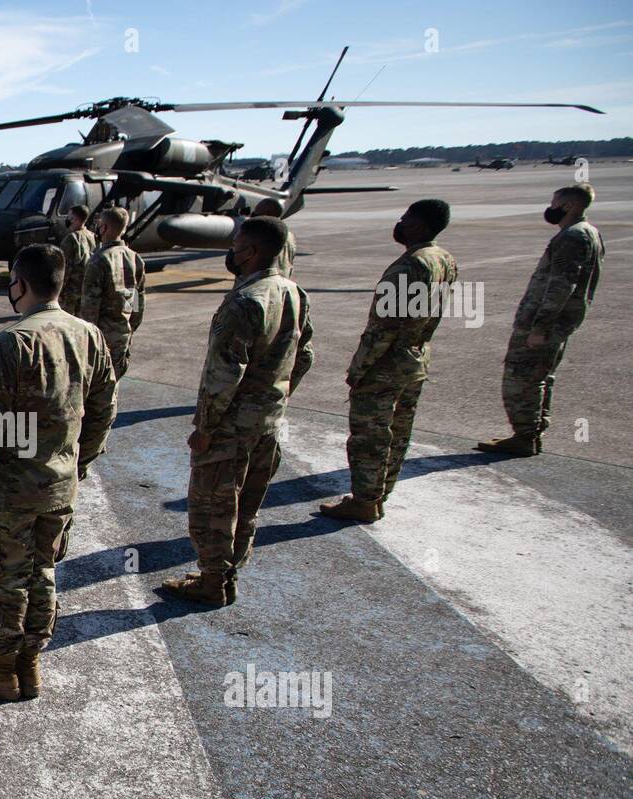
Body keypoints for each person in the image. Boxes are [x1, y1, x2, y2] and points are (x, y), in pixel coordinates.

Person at [0, 244, 117, 701]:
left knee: (2, 579)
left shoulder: (13, 342)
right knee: (42, 571)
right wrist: (78, 463)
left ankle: (1, 671)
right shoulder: (89, 334)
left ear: (19, 284)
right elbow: (103, 409)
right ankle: (30, 665)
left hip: (10, 490)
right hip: (59, 486)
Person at [163, 217, 313, 607]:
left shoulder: (246, 301)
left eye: (236, 246)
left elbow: (224, 373)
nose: (231, 252)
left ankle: (212, 582)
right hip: (267, 422)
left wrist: (205, 427)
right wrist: (274, 397)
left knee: (212, 505)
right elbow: (304, 355)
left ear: (253, 252)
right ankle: (228, 574)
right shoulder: (293, 292)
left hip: (230, 426)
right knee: (246, 504)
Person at [321, 200, 458, 522]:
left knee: (370, 437)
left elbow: (384, 326)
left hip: (387, 364)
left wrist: (360, 367)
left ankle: (365, 500)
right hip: (416, 357)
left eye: (406, 219)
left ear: (421, 225)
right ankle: (380, 495)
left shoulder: (409, 265)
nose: (400, 223)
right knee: (398, 432)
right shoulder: (445, 259)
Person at [476, 183, 604, 457]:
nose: (551, 207)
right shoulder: (589, 233)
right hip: (561, 322)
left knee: (520, 378)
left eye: (555, 202)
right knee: (540, 377)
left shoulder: (572, 237)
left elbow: (561, 285)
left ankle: (524, 437)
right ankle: (531, 434)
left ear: (568, 206)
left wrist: (540, 327)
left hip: (545, 324)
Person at [81, 206, 145, 379]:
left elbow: (90, 306)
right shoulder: (134, 258)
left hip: (101, 338)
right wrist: (129, 328)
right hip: (122, 334)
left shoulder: (99, 260)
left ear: (105, 228)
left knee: (96, 390)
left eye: (100, 224)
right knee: (113, 387)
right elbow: (137, 301)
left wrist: (88, 338)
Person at [58, 204, 96, 316]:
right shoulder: (91, 236)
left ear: (76, 219)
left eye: (70, 217)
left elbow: (65, 267)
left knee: (66, 321)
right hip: (85, 288)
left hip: (71, 291)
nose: (68, 220)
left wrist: (59, 289)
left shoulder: (71, 239)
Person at [251, 198, 295, 277]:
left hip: (260, 280)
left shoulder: (258, 233)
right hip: (283, 279)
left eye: (257, 210)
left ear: (267, 213)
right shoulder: (289, 235)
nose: (254, 213)